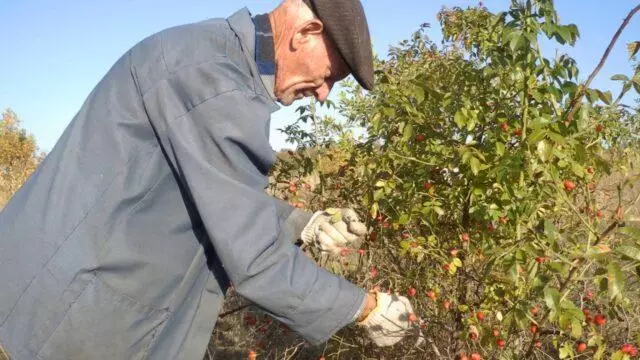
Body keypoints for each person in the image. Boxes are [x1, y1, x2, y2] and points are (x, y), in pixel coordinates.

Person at [0, 0, 416, 359]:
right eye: (331, 74)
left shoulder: (213, 59)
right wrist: (366, 308)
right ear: (306, 32)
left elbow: (209, 191)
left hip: (64, 298)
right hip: (60, 317)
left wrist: (302, 223)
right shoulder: (213, 83)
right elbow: (256, 261)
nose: (325, 93)